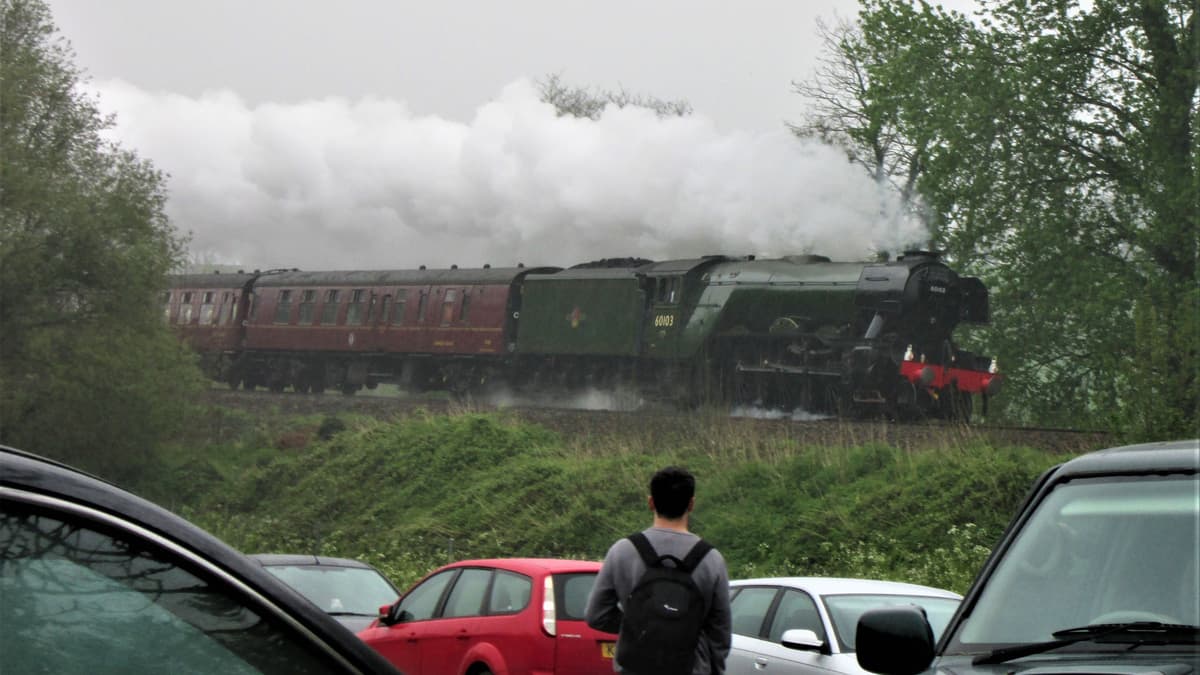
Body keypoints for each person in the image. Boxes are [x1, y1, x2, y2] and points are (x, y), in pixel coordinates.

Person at [585, 466, 731, 674]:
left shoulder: (622, 551)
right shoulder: (712, 560)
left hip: (634, 667)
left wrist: (639, 626)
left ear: (650, 502)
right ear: (691, 504)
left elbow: (595, 615)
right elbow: (720, 634)